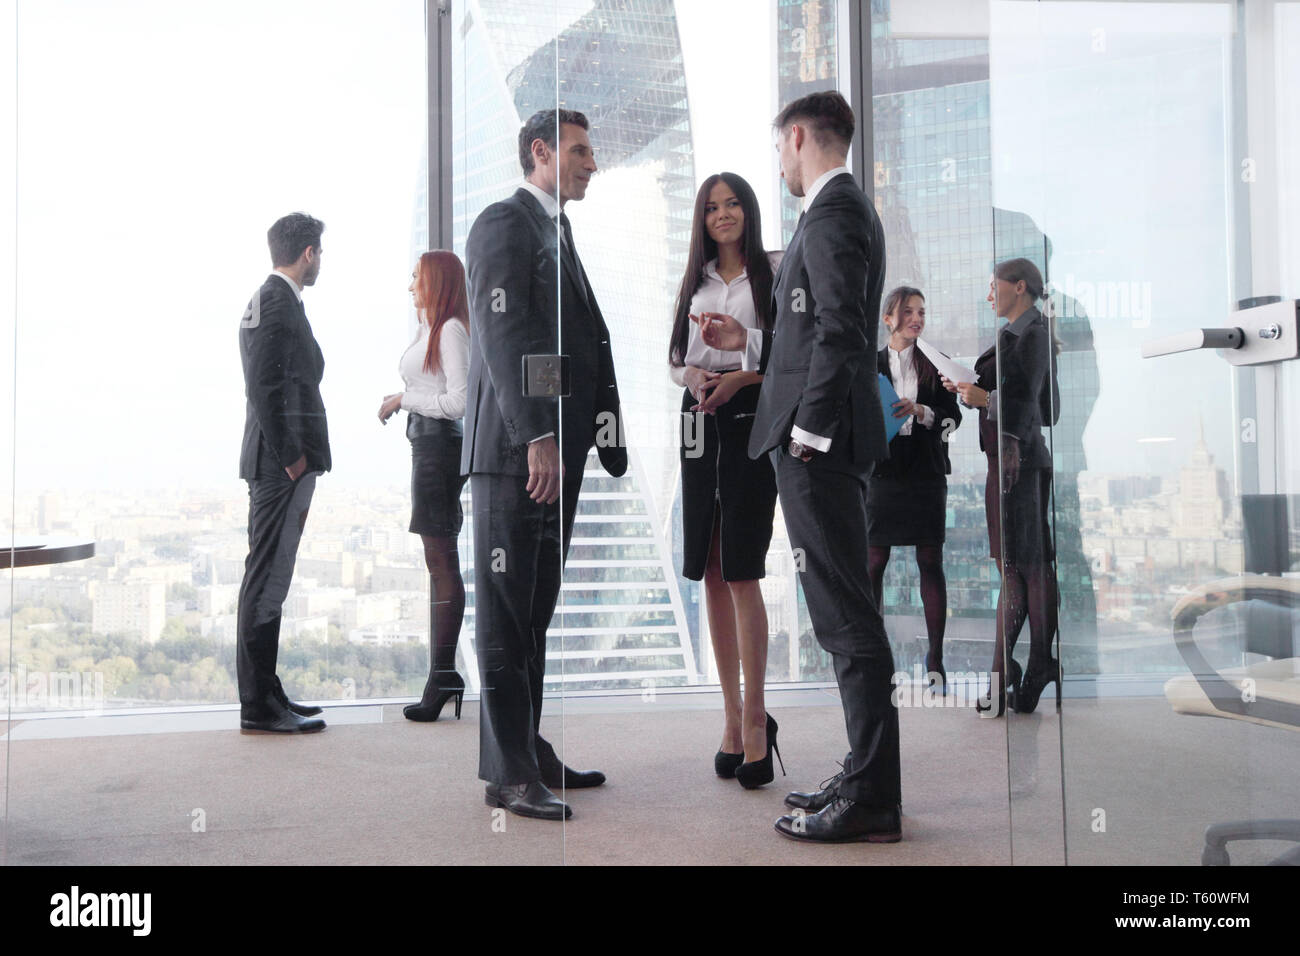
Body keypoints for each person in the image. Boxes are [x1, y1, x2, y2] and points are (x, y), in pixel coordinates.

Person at [699, 91, 900, 843]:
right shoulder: (833, 212)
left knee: (846, 619)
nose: (777, 162)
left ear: (797, 137)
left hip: (819, 446)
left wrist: (810, 434)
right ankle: (864, 773)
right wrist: (747, 344)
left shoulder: (836, 211)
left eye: (779, 147)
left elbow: (845, 333)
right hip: (815, 440)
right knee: (841, 614)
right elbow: (808, 333)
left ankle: (874, 797)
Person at [462, 108, 627, 821]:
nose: (593, 163)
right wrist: (536, 435)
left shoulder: (553, 229)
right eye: (580, 151)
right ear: (540, 153)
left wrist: (591, 430)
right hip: (516, 456)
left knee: (534, 610)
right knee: (505, 614)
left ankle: (525, 746)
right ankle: (508, 774)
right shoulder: (505, 223)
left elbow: (574, 343)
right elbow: (505, 335)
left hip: (555, 452)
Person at [668, 172, 780, 786]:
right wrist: (693, 377)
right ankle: (732, 718)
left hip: (747, 420)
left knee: (742, 567)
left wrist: (742, 357)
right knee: (708, 566)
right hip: (697, 422)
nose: (723, 215)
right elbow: (675, 360)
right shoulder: (695, 279)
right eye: (712, 207)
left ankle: (760, 720)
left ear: (747, 210)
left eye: (732, 203)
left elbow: (789, 355)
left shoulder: (769, 275)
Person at [943, 257, 1060, 717]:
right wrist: (974, 392)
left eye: (994, 287)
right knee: (1021, 567)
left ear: (1019, 287)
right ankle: (1024, 669)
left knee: (1024, 567)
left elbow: (1035, 408)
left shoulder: (1031, 335)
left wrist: (984, 398)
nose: (989, 295)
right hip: (1010, 463)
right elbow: (1044, 408)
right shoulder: (1024, 335)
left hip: (1019, 465)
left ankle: (1021, 670)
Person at [236, 212, 331, 734]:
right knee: (267, 580)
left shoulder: (276, 299)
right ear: (308, 253)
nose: (321, 262)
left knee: (272, 578)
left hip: (282, 466)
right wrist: (293, 457)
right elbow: (264, 389)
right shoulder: (275, 301)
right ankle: (257, 705)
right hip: (279, 467)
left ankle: (268, 692)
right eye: (321, 253)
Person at [378, 251, 470, 722]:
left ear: (436, 282)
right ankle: (443, 674)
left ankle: (442, 675)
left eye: (416, 277)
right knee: (437, 561)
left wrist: (403, 398)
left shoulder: (451, 331)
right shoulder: (431, 327)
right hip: (428, 448)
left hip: (439, 451)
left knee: (441, 561)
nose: (410, 284)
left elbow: (459, 401)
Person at [869, 286, 961, 693]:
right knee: (872, 566)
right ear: (889, 318)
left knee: (930, 562)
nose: (916, 318)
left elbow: (953, 420)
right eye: (908, 311)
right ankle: (875, 657)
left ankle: (935, 658)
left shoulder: (935, 363)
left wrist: (922, 411)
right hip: (882, 472)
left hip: (925, 470)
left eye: (921, 311)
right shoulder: (868, 364)